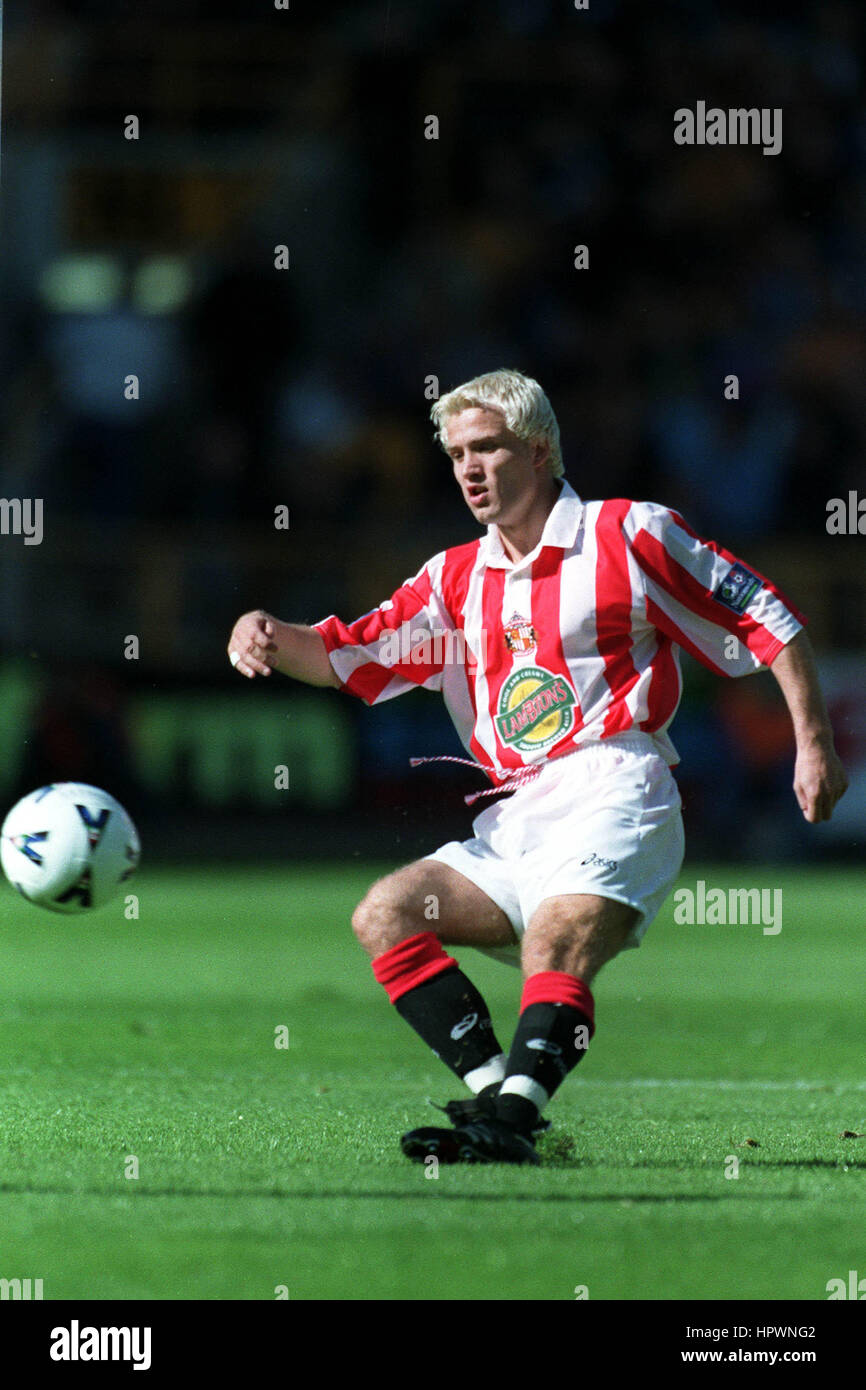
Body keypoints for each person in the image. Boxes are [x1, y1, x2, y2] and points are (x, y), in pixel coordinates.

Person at [227, 369, 848, 1166]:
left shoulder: (629, 534)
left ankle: (512, 1122)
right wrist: (269, 632)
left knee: (553, 943)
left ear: (541, 448)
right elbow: (350, 655)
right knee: (385, 915)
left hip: (618, 785)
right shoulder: (453, 578)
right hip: (514, 812)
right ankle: (498, 1101)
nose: (470, 470)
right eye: (457, 454)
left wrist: (813, 741)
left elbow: (763, 614)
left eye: (487, 448)